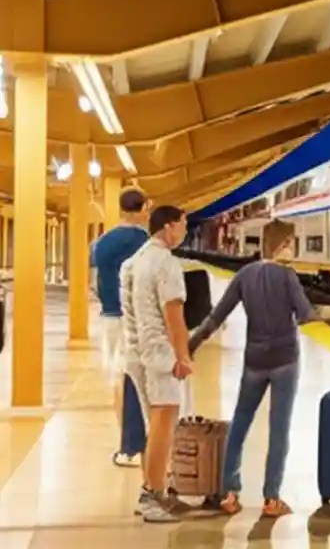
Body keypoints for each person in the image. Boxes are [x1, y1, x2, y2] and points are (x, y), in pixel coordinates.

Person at [189, 219, 330, 517]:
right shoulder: (287, 276)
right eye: (291, 242)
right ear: (281, 244)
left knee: (240, 423)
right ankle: (271, 499)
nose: (293, 248)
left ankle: (229, 493)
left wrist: (191, 346)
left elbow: (215, 318)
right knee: (279, 429)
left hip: (254, 361)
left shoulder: (245, 275)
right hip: (285, 361)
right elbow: (306, 315)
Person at [121, 204, 194, 523]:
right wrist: (183, 355)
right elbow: (173, 314)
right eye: (183, 224)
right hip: (161, 355)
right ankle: (151, 496)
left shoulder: (134, 262)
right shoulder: (166, 263)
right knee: (164, 423)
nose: (185, 230)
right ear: (168, 226)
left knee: (156, 425)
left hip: (137, 352)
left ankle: (156, 490)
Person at [90, 188, 151, 469]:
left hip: (110, 316)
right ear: (142, 209)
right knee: (135, 377)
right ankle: (133, 444)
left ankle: (125, 441)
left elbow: (93, 281)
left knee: (117, 378)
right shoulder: (144, 242)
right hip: (135, 318)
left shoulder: (102, 242)